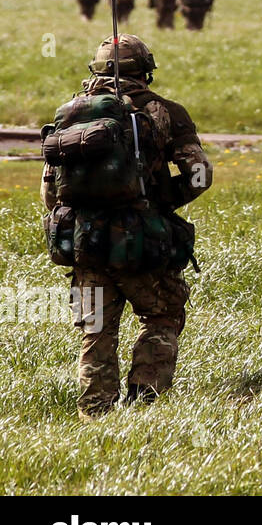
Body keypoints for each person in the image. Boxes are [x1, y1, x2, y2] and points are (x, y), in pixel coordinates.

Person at [40, 34, 212, 417]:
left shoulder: (70, 115)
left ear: (96, 70)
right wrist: (161, 201)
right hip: (142, 242)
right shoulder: (166, 112)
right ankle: (144, 402)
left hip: (85, 241)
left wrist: (74, 216)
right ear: (146, 71)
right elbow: (200, 175)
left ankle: (95, 411)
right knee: (162, 315)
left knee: (96, 328)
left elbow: (50, 188)